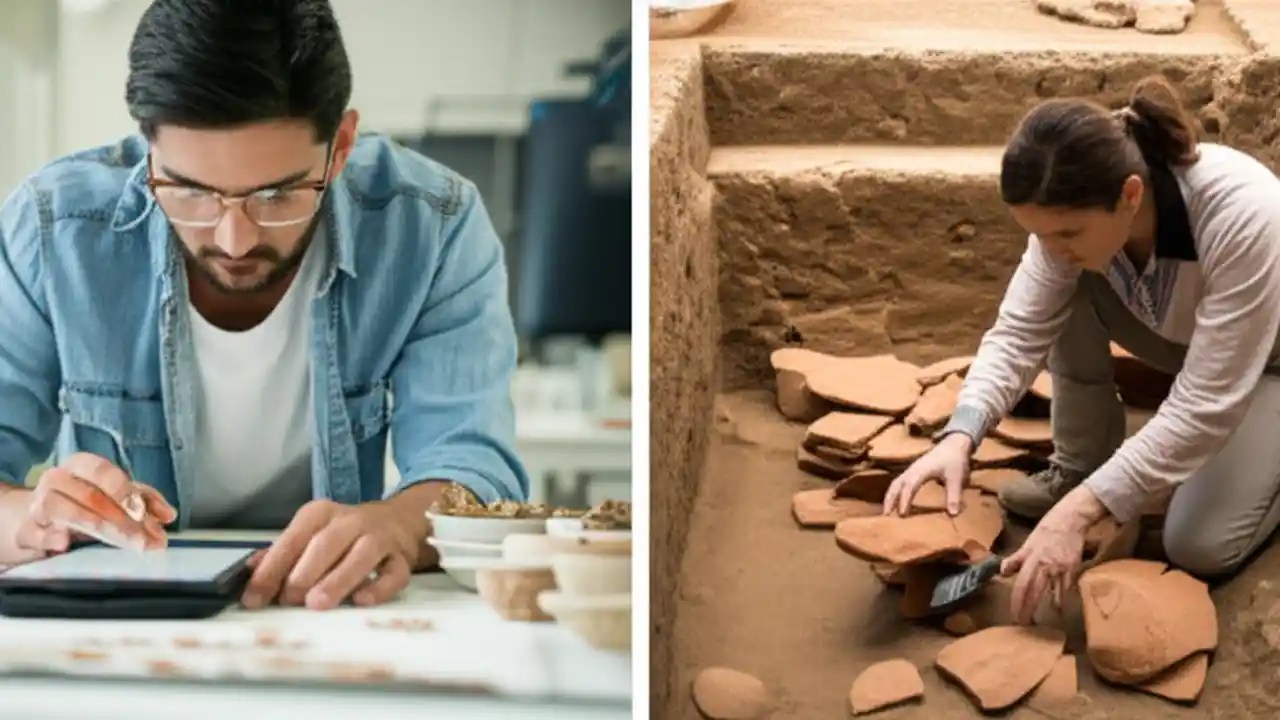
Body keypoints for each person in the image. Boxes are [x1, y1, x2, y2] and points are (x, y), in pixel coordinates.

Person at [0, 0, 527, 610]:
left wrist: (398, 525)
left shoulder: (433, 225)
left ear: (342, 146)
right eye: (190, 191)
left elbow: (471, 466)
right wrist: (25, 519)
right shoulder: (51, 229)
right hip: (125, 617)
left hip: (328, 614)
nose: (234, 240)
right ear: (149, 150)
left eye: (277, 194)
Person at [882, 75, 1280, 624]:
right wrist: (960, 434)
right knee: (1067, 295)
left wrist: (1084, 511)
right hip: (1194, 345)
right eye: (1041, 234)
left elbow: (1206, 402)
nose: (1053, 250)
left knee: (1200, 547)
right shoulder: (1073, 220)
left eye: (1066, 233)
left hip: (1269, 363)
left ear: (1130, 196)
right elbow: (1020, 330)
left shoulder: (1242, 213)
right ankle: (1080, 465)